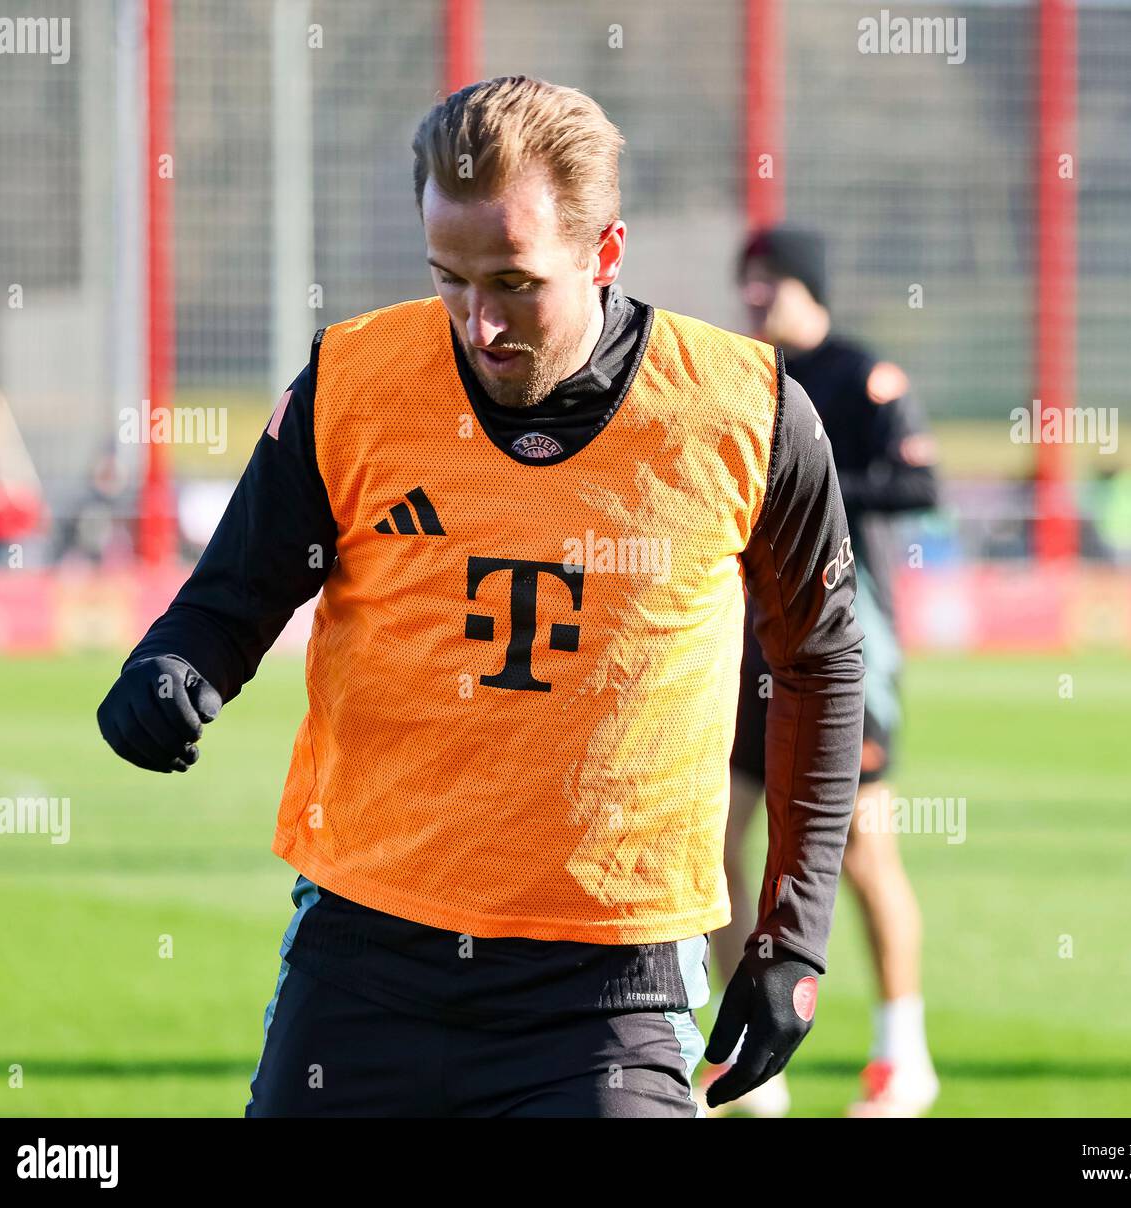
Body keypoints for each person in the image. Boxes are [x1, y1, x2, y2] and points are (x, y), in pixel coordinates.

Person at [96, 77, 865, 1118]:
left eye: (513, 281)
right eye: (449, 278)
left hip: (610, 989)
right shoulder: (354, 380)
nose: (478, 321)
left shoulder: (748, 411)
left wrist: (792, 932)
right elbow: (231, 596)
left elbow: (817, 663)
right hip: (364, 955)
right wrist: (169, 668)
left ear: (604, 252)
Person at [702, 226, 940, 1118]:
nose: (754, 300)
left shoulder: (860, 375)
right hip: (748, 650)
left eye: (768, 285)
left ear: (809, 287)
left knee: (864, 856)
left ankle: (902, 1056)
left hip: (846, 648)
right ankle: (744, 1061)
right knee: (716, 845)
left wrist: (815, 479)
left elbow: (921, 485)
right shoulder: (741, 380)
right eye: (747, 286)